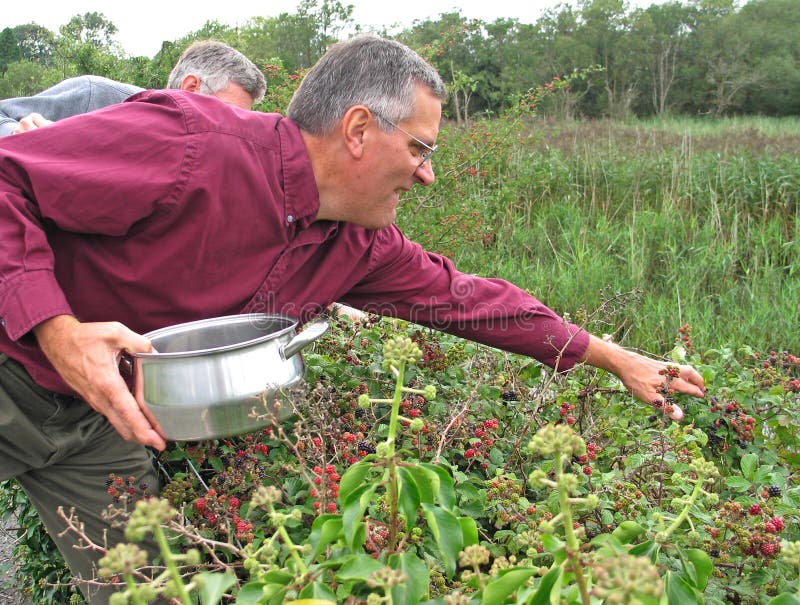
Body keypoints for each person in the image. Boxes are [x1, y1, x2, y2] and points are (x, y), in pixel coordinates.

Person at [0, 34, 705, 601]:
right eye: (421, 148)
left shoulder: (359, 247)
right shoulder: (193, 142)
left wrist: (611, 356)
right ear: (360, 130)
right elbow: (8, 177)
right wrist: (56, 330)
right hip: (10, 365)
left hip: (99, 426)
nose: (428, 174)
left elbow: (471, 301)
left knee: (154, 590)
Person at [0, 39, 266, 136]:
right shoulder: (96, 95)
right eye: (229, 113)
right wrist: (16, 131)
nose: (234, 129)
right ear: (191, 87)